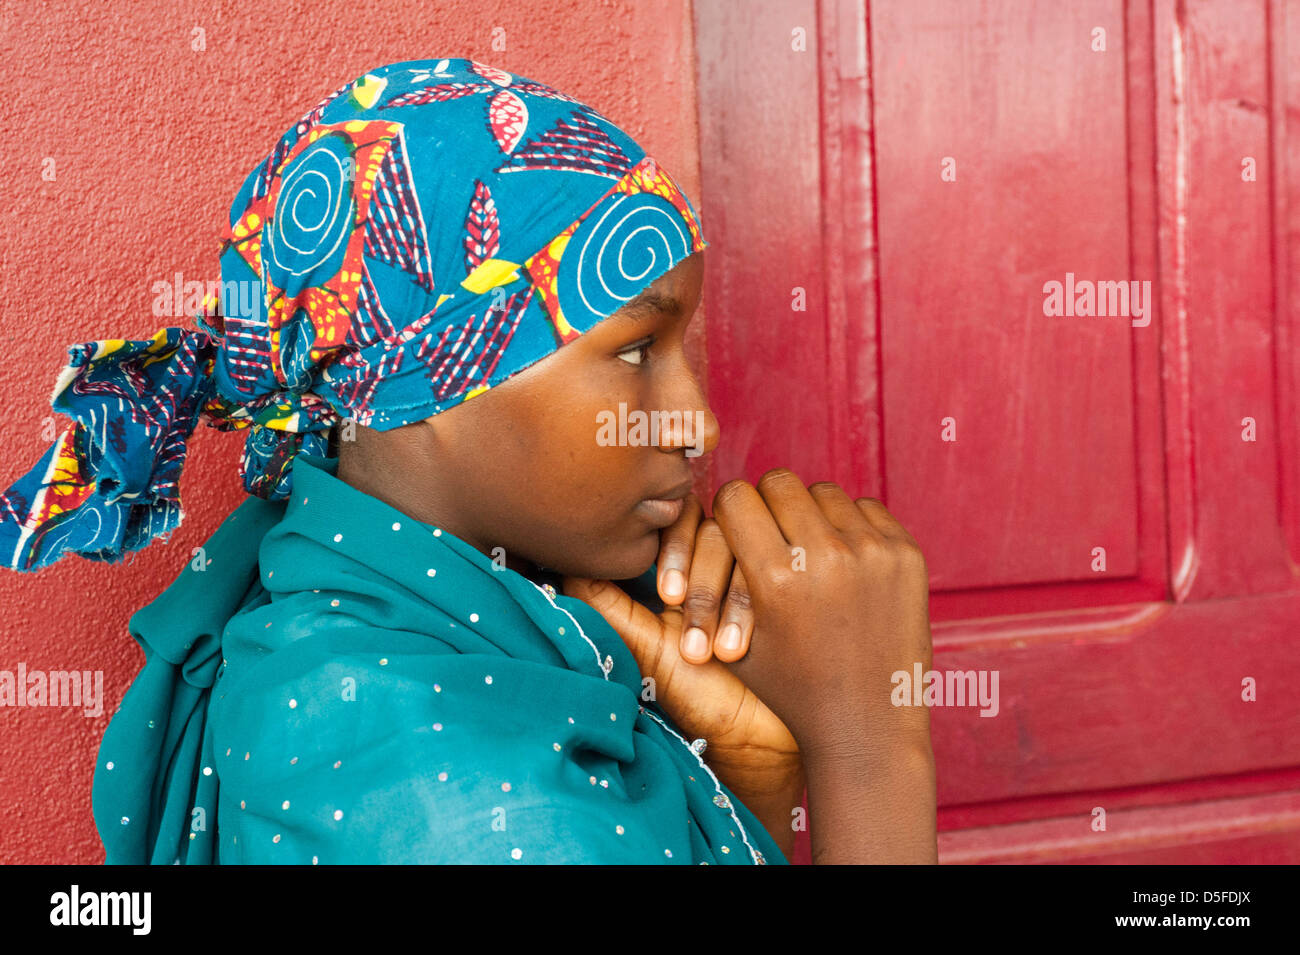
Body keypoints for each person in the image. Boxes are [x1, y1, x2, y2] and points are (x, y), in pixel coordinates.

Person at [0, 57, 937, 864]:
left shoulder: (380, 630)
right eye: (633, 350)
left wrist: (747, 769)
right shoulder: (433, 785)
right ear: (433, 386)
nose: (697, 424)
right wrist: (870, 744)